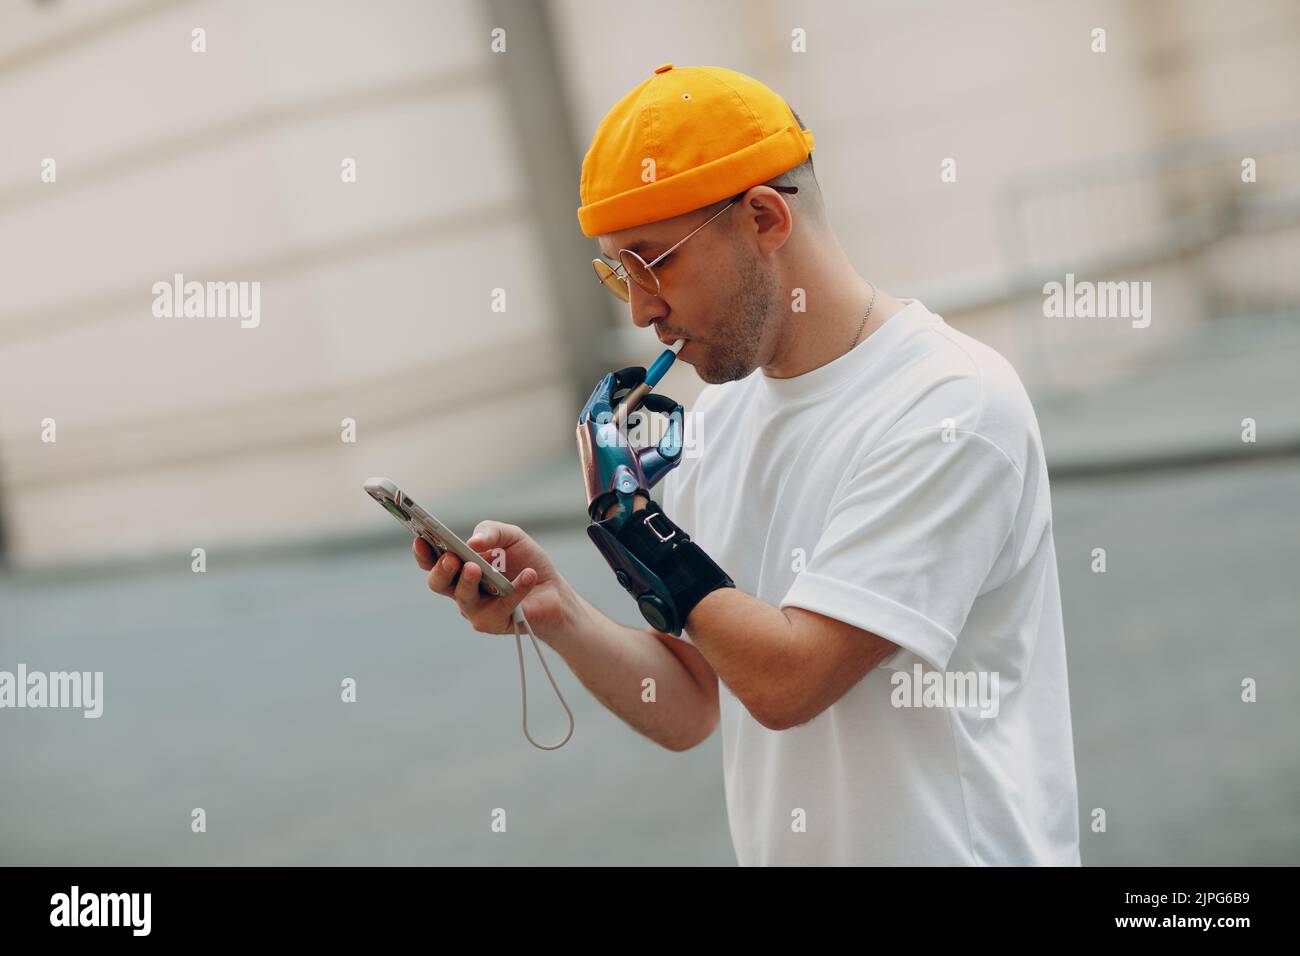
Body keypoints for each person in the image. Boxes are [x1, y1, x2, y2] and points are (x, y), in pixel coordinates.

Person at [413, 63, 1081, 866]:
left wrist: (635, 527)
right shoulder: (720, 417)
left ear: (764, 217)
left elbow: (789, 681)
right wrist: (558, 612)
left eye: (652, 261)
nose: (640, 308)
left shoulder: (949, 407)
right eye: (617, 271)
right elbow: (695, 700)